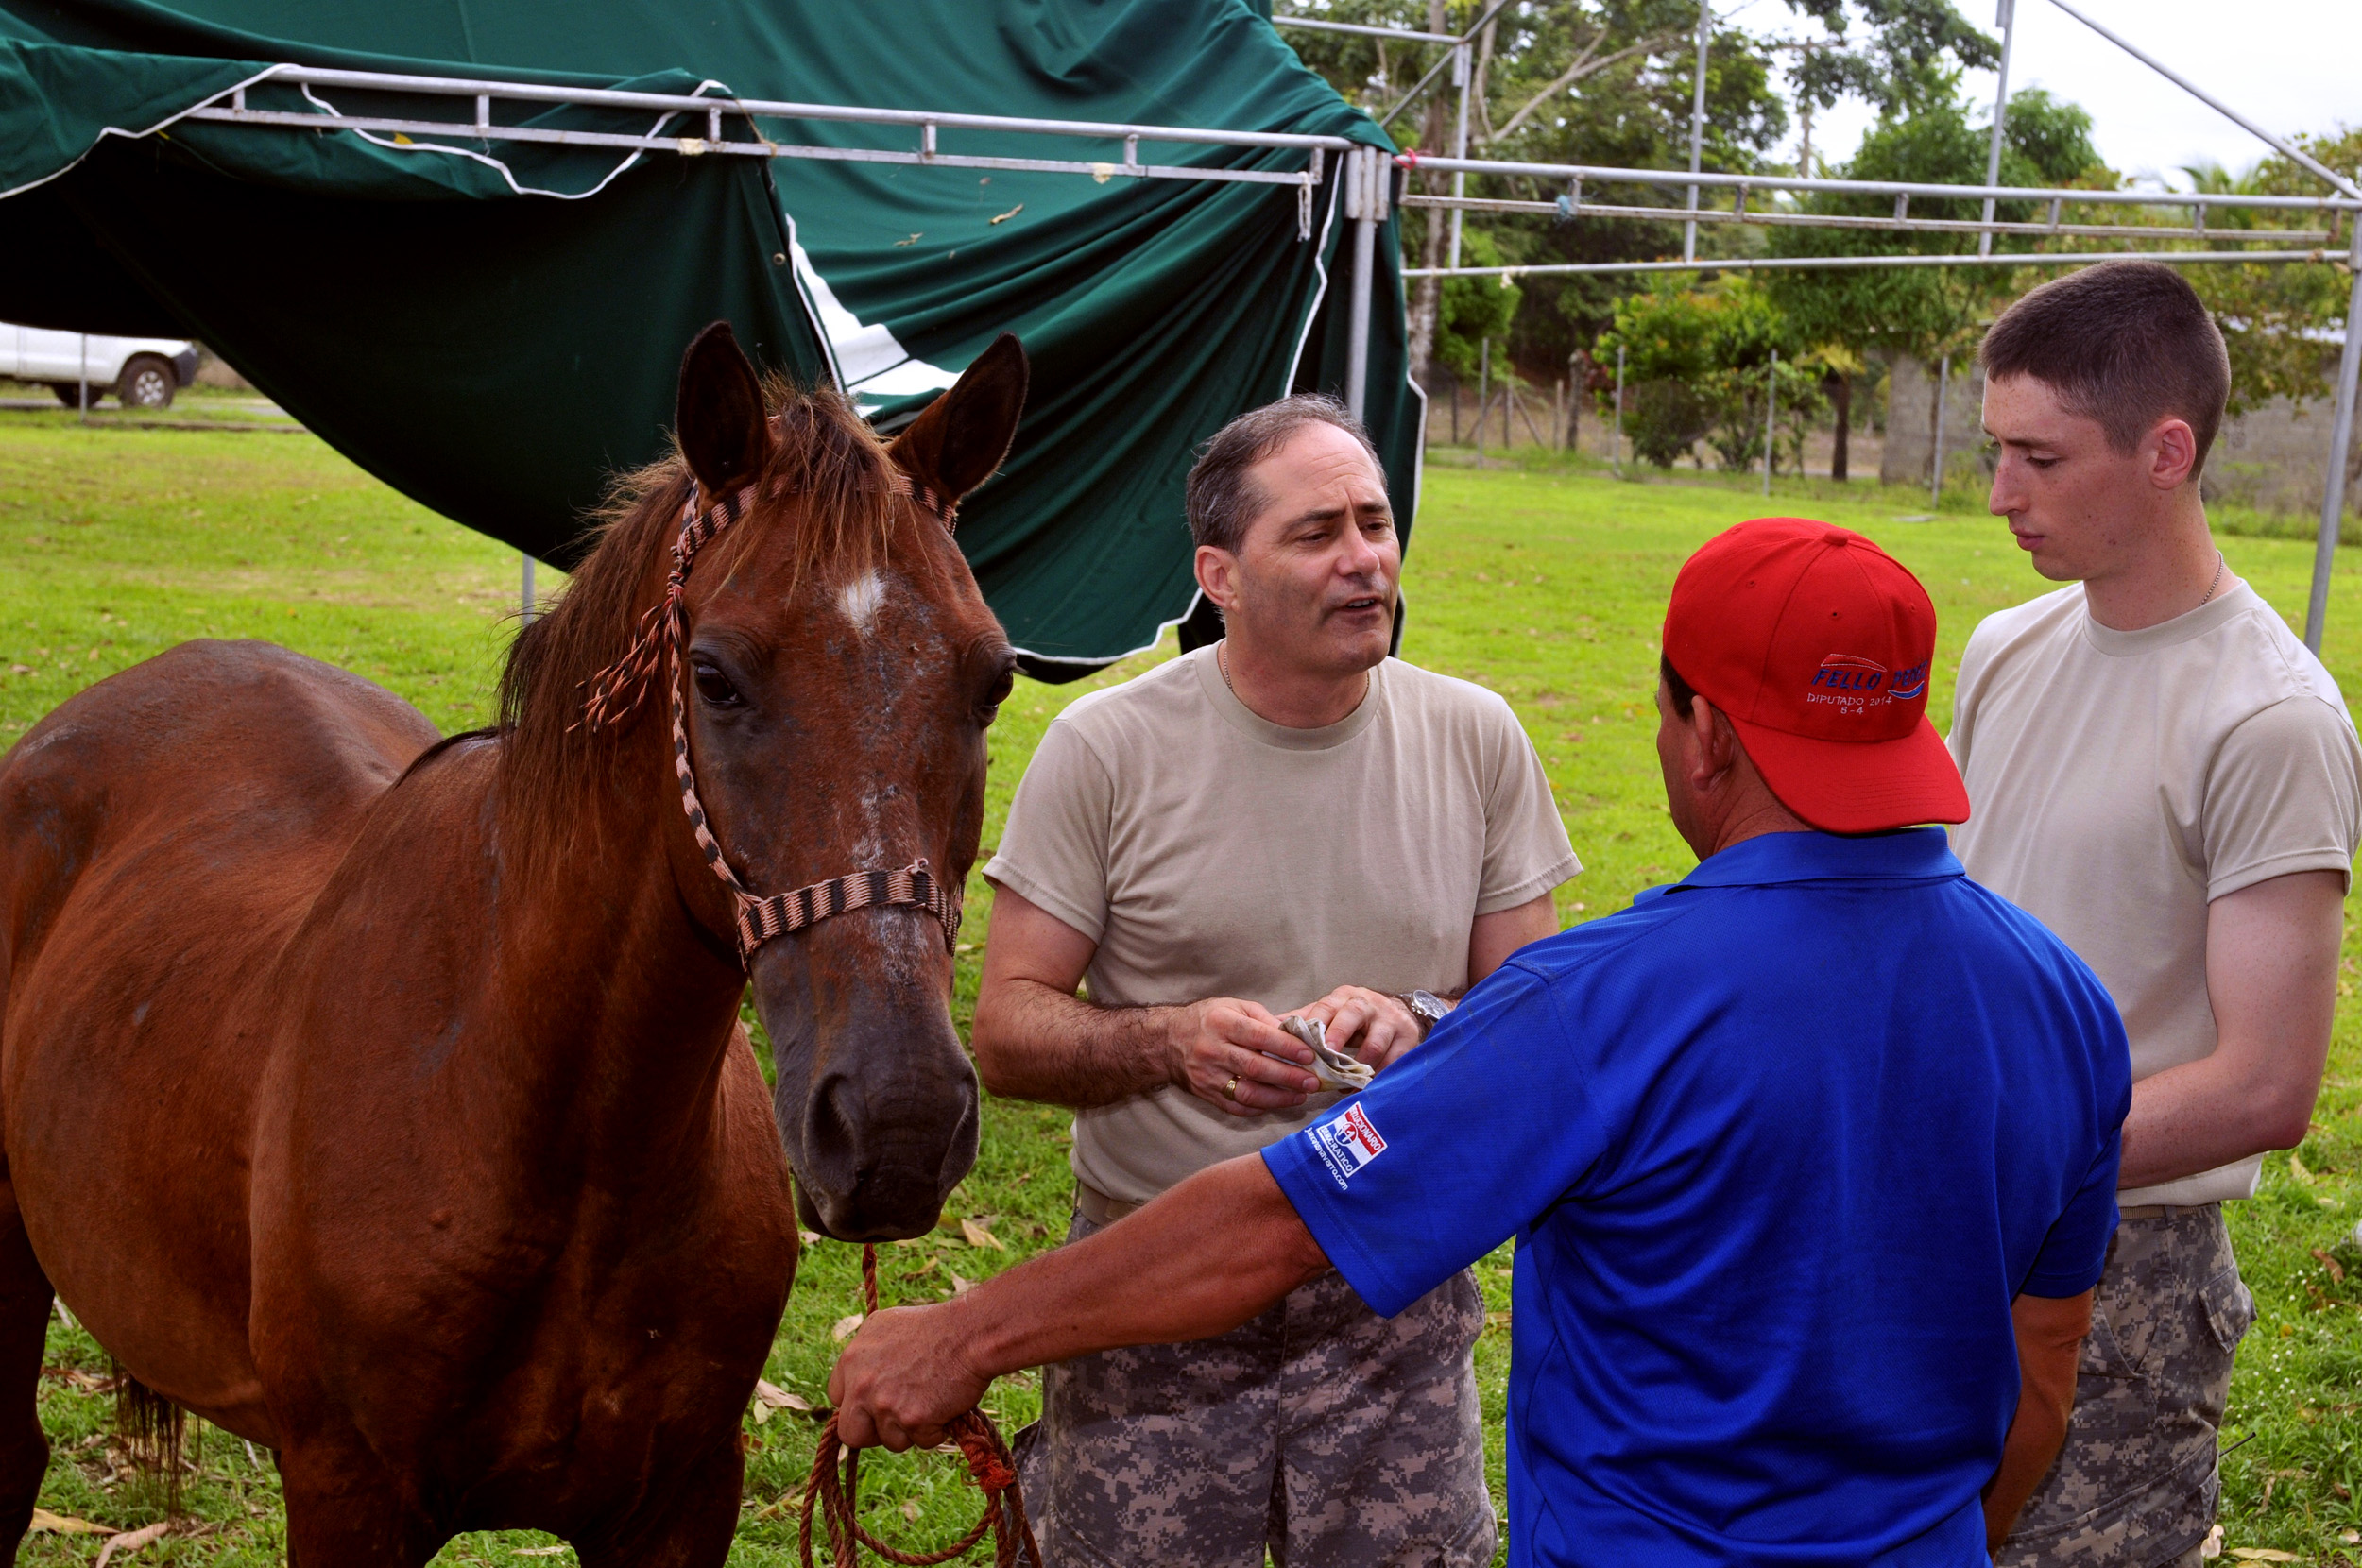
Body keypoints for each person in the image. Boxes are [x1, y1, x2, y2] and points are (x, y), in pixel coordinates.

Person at [837, 517, 2133, 1568]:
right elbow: (2041, 1380)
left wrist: (962, 1336)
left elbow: (1283, 1221)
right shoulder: (2068, 1004)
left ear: (1709, 732)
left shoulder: (1606, 1005)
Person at [964, 393, 1578, 1566]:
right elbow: (1006, 1029)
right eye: (1315, 533)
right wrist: (1170, 1040)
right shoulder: (1105, 749)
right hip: (1151, 1298)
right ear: (1220, 574)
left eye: (1376, 522)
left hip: (1388, 1301)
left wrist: (1419, 1017)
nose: (1365, 561)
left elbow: (1534, 1024)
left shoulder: (1477, 736)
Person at [1957, 260, 2362, 1567]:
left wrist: (2009, 1151)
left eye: (2039, 457)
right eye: (1995, 452)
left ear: (2165, 452)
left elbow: (2265, 1086)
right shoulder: (2005, 648)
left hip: (2127, 1267)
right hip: (1953, 1227)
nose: (2003, 494)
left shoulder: (2271, 719)